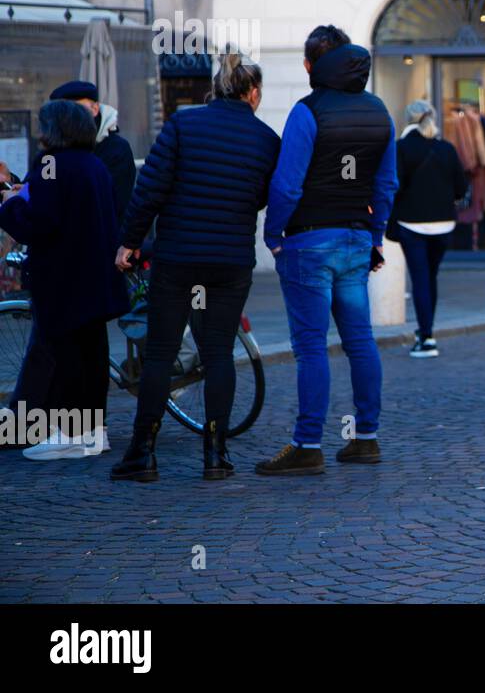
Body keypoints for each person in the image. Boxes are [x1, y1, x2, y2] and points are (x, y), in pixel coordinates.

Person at [109, 52, 281, 482]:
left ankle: (142, 454)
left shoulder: (184, 124)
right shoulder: (266, 139)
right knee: (219, 353)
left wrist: (130, 243)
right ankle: (216, 454)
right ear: (253, 92)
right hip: (230, 260)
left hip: (179, 256)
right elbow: (264, 196)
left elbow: (149, 190)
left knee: (161, 354)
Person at [258, 26, 398, 476]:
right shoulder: (380, 112)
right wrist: (375, 235)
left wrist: (274, 234)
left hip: (309, 240)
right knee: (360, 341)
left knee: (311, 347)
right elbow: (386, 183)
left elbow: (286, 183)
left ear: (311, 66)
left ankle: (308, 443)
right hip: (356, 237)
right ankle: (366, 438)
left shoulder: (308, 111)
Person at [0, 101, 128, 460]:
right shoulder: (93, 164)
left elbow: (39, 222)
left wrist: (9, 204)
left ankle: (71, 434)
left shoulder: (53, 164)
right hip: (94, 277)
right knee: (92, 356)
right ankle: (92, 432)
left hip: (64, 279)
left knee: (69, 357)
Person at [389, 100, 468, 359]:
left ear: (408, 119)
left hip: (411, 224)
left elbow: (394, 186)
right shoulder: (446, 148)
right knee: (429, 278)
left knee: (421, 279)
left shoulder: (401, 148)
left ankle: (427, 337)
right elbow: (460, 188)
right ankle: (426, 332)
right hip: (444, 224)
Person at [0, 80, 136, 223]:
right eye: (61, 112)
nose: (66, 118)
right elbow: (38, 190)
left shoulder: (115, 150)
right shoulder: (52, 157)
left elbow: (110, 207)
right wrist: (9, 182)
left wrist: (14, 204)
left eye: (73, 109)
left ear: (95, 109)